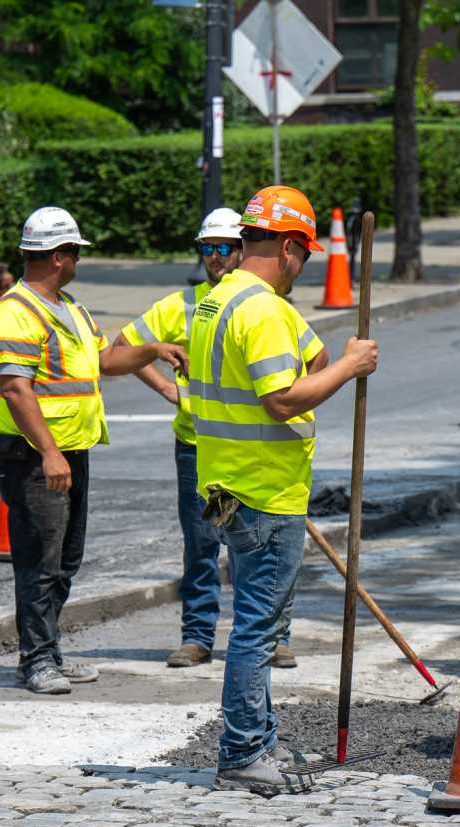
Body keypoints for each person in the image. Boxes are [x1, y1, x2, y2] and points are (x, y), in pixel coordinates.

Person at [188, 185, 378, 794]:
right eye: (306, 256)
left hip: (225, 488)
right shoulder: (263, 310)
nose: (306, 268)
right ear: (292, 248)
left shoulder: (217, 301)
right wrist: (348, 367)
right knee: (258, 627)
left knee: (255, 620)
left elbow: (304, 356)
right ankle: (243, 751)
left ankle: (259, 736)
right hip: (263, 492)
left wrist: (328, 358)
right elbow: (281, 400)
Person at [0, 206, 185, 695]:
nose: (78, 260)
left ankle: (48, 650)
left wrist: (151, 350)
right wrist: (49, 453)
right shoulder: (14, 313)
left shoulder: (70, 307)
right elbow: (16, 389)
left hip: (72, 451)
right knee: (38, 561)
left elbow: (103, 359)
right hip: (35, 457)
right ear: (57, 256)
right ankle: (35, 661)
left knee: (65, 561)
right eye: (74, 252)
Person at [117, 208, 298, 672]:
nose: (216, 257)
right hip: (196, 446)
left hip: (250, 450)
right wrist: (167, 388)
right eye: (207, 248)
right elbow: (120, 349)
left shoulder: (264, 305)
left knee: (256, 549)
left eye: (224, 248)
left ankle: (270, 635)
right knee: (201, 545)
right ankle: (198, 636)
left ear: (243, 250)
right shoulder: (183, 306)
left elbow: (310, 358)